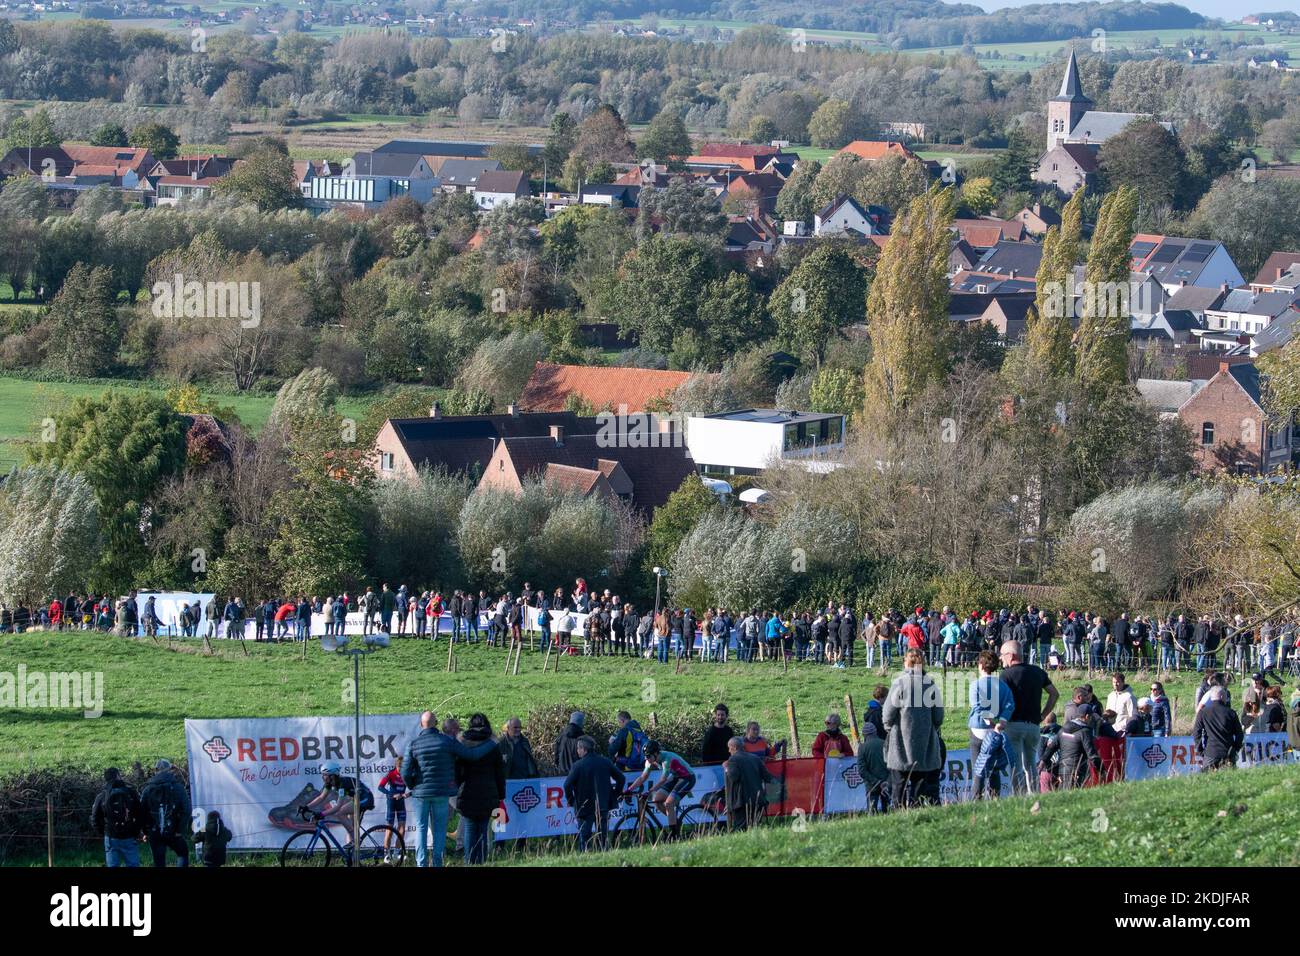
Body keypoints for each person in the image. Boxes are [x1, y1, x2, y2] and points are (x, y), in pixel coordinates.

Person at [402, 711, 499, 867]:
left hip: (420, 793)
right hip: (441, 793)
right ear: (436, 723)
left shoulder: (413, 744)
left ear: (421, 725)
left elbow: (405, 771)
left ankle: (422, 863)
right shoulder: (446, 742)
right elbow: (472, 755)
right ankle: (438, 863)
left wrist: (413, 785)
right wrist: (492, 743)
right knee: (440, 829)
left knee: (421, 829)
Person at [882, 649, 944, 808]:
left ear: (906, 662)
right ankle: (916, 813)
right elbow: (938, 716)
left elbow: (888, 714)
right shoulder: (930, 684)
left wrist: (890, 728)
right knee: (919, 786)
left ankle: (899, 813)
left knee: (898, 786)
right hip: (924, 743)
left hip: (901, 743)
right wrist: (929, 728)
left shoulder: (900, 683)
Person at [998, 639, 1059, 795]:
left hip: (1013, 725)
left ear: (1011, 655)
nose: (1001, 658)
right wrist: (1043, 715)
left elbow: (1000, 700)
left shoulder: (1005, 675)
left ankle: (1020, 797)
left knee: (1016, 765)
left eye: (1003, 655)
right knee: (1030, 764)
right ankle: (1035, 795)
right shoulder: (1038, 671)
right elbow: (1054, 693)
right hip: (1033, 725)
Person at [454, 713, 505, 865]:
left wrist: (458, 786)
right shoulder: (493, 744)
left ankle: (469, 861)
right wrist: (501, 794)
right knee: (483, 828)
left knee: (469, 828)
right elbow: (499, 772)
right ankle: (481, 861)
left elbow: (458, 770)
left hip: (467, 791)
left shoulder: (462, 743)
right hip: (488, 792)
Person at [563, 736, 623, 852]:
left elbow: (567, 785)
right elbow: (621, 779)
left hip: (584, 806)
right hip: (603, 805)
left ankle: (585, 860)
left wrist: (571, 801)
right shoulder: (605, 761)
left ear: (584, 749)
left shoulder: (578, 765)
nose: (577, 751)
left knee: (584, 839)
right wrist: (614, 795)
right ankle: (604, 859)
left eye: (578, 748)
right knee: (602, 837)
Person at [626, 740, 695, 838]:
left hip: (687, 777)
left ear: (655, 753)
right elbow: (643, 777)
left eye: (648, 756)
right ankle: (675, 822)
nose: (646, 758)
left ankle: (674, 836)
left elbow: (663, 779)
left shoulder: (666, 759)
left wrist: (649, 791)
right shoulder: (649, 761)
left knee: (669, 803)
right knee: (656, 800)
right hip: (676, 777)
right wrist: (629, 789)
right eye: (645, 756)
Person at [304, 761, 374, 847]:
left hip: (365, 798)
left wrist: (321, 814)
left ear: (332, 775)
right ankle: (352, 853)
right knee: (351, 826)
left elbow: (338, 807)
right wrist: (306, 807)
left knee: (340, 813)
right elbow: (321, 797)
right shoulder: (329, 783)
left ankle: (356, 840)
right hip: (356, 798)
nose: (323, 777)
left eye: (325, 774)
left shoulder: (342, 784)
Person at [1038, 698, 1102, 789]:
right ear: (1087, 716)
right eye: (1091, 717)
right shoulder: (1085, 732)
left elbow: (1051, 748)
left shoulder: (1063, 730)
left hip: (1062, 770)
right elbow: (1092, 756)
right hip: (1078, 771)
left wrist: (1042, 763)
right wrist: (1102, 770)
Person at [140, 759, 191, 867]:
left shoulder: (148, 789)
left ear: (156, 770)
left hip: (154, 831)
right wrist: (179, 830)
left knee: (159, 861)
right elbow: (186, 810)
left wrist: (145, 831)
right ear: (170, 770)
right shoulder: (178, 787)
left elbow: (142, 812)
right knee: (182, 853)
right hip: (173, 830)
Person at [91, 767, 143, 867]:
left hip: (111, 836)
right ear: (118, 776)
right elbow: (140, 814)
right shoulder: (131, 793)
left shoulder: (102, 796)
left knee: (112, 865)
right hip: (129, 835)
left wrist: (103, 833)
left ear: (106, 779)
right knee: (133, 865)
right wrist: (136, 832)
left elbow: (94, 818)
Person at [723, 736, 777, 830]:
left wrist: (726, 768)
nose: (728, 750)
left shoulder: (733, 760)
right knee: (755, 828)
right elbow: (768, 777)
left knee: (740, 830)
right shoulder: (755, 758)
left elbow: (734, 777)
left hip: (742, 802)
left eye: (729, 747)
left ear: (734, 747)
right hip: (758, 799)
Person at [1193, 686, 1244, 770]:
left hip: (1210, 753)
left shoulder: (1203, 713)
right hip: (1228, 752)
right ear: (1221, 697)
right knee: (1231, 780)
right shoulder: (1231, 713)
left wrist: (1201, 751)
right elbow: (1239, 734)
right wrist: (1235, 749)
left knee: (1209, 780)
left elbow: (1196, 733)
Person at [377, 757, 407, 863]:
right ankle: (386, 854)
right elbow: (380, 787)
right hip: (391, 802)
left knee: (402, 829)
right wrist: (392, 794)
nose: (401, 770)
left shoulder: (406, 774)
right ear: (396, 766)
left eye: (403, 768)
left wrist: (406, 794)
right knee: (389, 830)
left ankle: (396, 852)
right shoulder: (391, 773)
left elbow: (414, 788)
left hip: (401, 803)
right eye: (400, 768)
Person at [854, 723, 889, 813]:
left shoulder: (862, 748)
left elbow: (862, 770)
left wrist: (876, 782)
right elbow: (892, 765)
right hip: (886, 784)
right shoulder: (885, 743)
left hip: (871, 786)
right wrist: (885, 781)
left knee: (872, 811)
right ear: (875, 732)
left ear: (864, 734)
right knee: (888, 811)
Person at [971, 720, 1009, 799]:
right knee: (994, 769)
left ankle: (976, 801)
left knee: (979, 770)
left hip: (981, 729)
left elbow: (980, 708)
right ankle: (995, 800)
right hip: (997, 729)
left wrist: (990, 720)